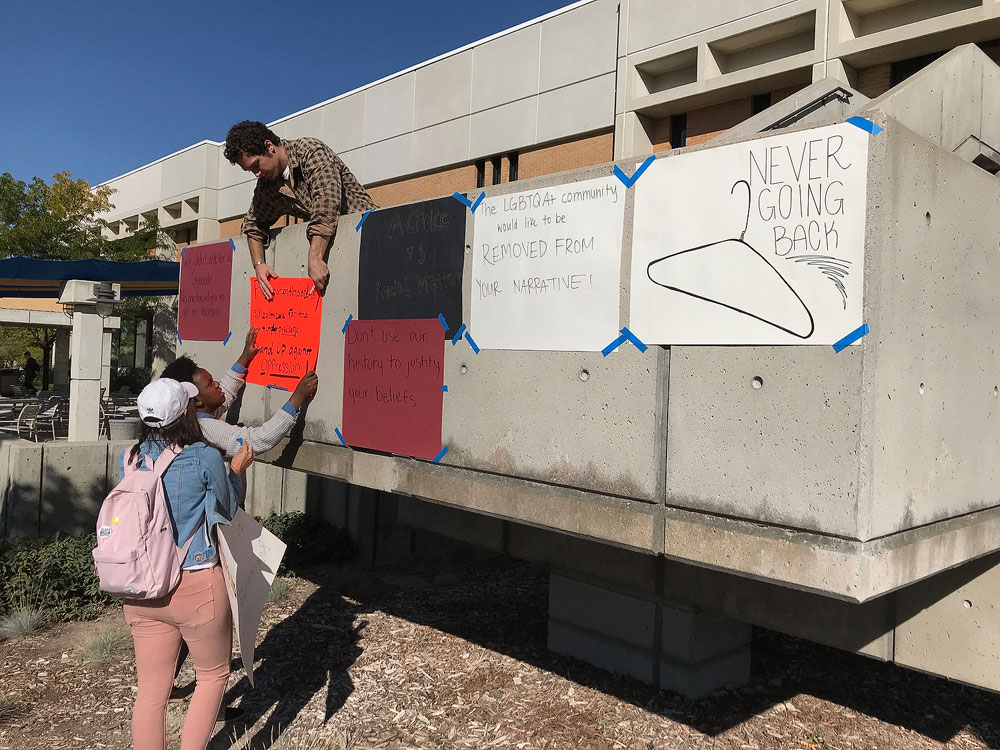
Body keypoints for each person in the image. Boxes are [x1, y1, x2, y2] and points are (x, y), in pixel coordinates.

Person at [120, 377, 254, 750]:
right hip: (194, 583)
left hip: (141, 587)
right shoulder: (204, 456)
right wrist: (237, 470)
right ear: (186, 413)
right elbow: (226, 511)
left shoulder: (129, 458)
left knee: (151, 693)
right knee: (212, 677)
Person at [223, 120, 377, 300]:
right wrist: (259, 264)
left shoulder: (310, 151)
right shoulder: (267, 186)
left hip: (372, 239)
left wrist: (315, 257)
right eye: (250, 170)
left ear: (269, 146)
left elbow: (326, 205)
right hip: (340, 258)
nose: (256, 173)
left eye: (256, 165)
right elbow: (253, 225)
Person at [160, 327, 319, 457]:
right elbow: (255, 440)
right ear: (197, 401)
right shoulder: (208, 429)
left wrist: (244, 357)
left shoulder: (192, 419)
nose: (217, 384)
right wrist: (297, 397)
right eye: (210, 384)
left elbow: (227, 391)